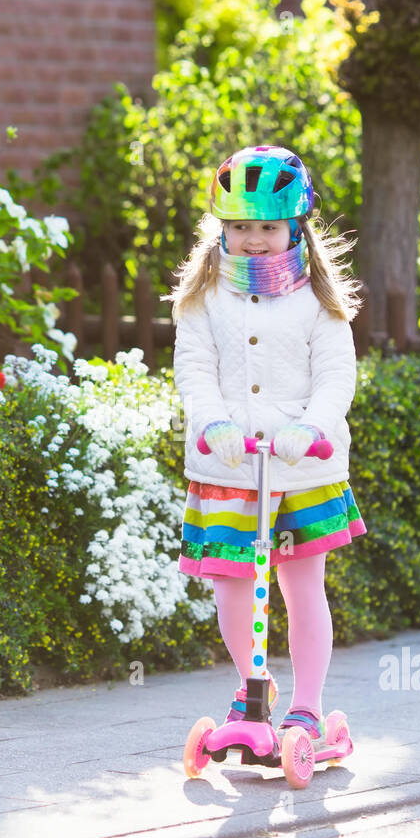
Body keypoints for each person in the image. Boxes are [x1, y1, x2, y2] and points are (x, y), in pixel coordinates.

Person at [166, 144, 367, 744]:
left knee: (302, 586)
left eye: (268, 227)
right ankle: (253, 683)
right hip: (226, 462)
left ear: (294, 226)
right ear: (222, 228)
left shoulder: (317, 300)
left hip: (302, 466)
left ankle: (308, 705)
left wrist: (312, 428)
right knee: (229, 584)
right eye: (241, 226)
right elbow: (193, 370)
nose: (255, 239)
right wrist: (212, 421)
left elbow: (337, 376)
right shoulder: (202, 299)